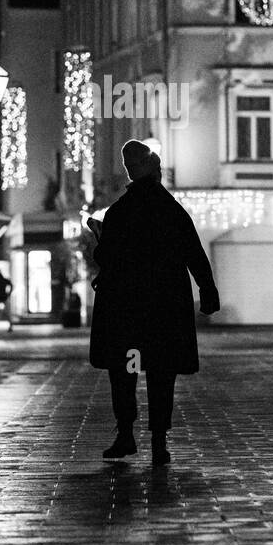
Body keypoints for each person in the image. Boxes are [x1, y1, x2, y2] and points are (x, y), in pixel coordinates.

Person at [89, 139, 220, 466]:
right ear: (156, 170)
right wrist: (207, 289)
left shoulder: (120, 211)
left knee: (125, 371)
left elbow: (105, 256)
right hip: (164, 310)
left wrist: (101, 239)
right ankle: (159, 442)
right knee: (162, 373)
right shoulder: (171, 209)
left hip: (126, 311)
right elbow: (193, 251)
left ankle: (126, 435)